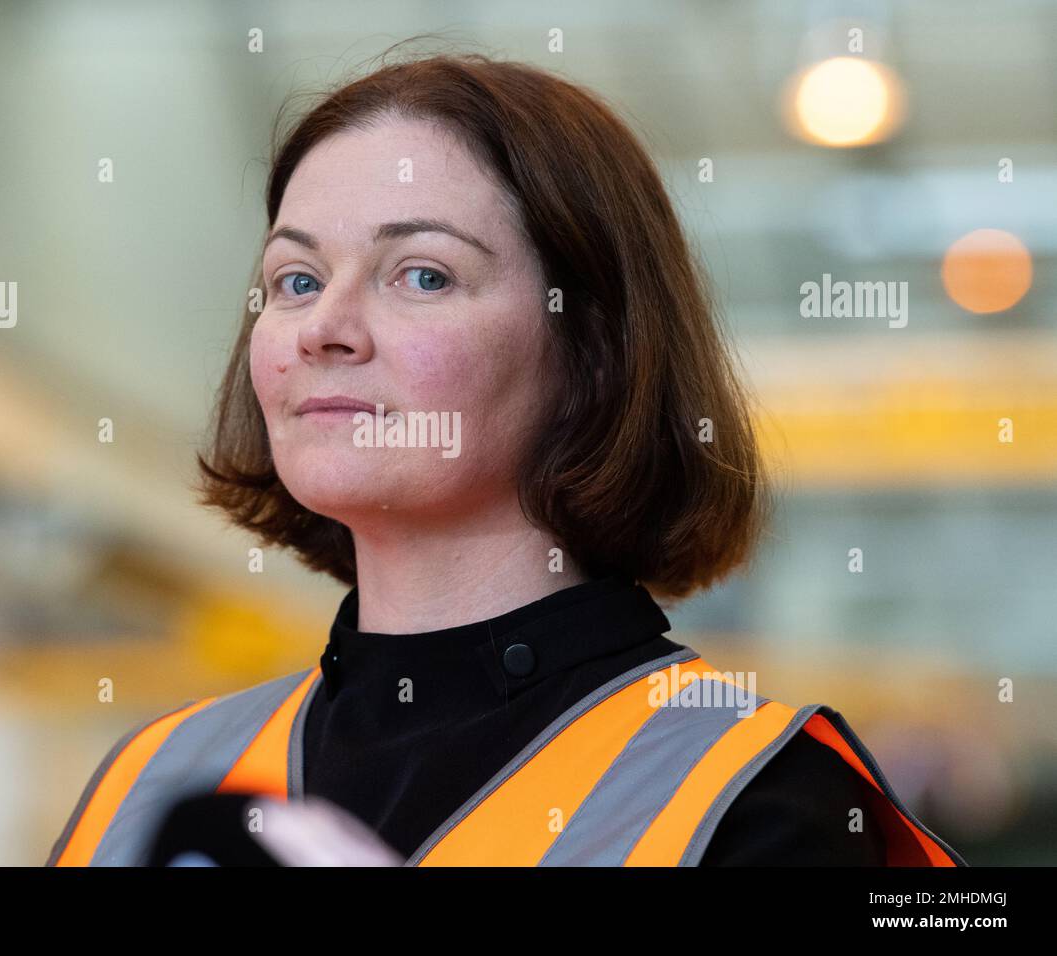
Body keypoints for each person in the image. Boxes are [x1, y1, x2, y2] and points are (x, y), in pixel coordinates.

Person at [48, 48, 965, 867]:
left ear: (595, 352)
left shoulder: (762, 808)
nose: (324, 327)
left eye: (423, 275)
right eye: (295, 280)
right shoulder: (147, 790)